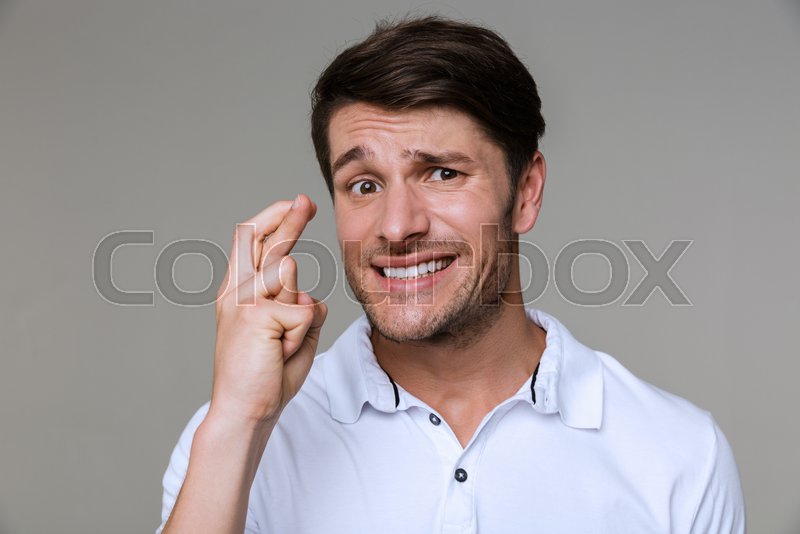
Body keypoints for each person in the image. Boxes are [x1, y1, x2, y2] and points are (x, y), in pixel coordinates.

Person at [157, 15, 745, 533]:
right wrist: (239, 423)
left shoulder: (680, 453)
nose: (396, 226)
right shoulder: (235, 439)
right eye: (364, 185)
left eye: (441, 173)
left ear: (527, 192)